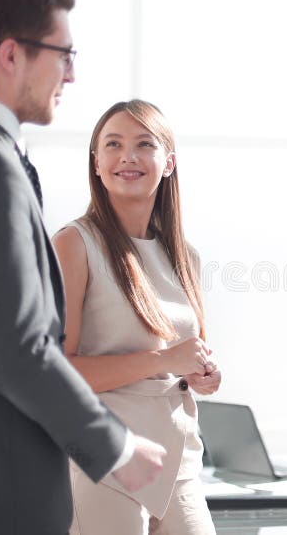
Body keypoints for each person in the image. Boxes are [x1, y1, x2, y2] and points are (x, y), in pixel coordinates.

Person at [0, 0, 166, 534]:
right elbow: (19, 349)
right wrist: (116, 446)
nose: (71, 75)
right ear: (11, 55)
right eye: (64, 54)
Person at [52, 100, 220, 535]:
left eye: (144, 144)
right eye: (113, 144)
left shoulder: (185, 255)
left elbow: (187, 357)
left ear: (168, 163)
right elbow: (58, 373)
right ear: (96, 163)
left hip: (179, 463)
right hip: (106, 462)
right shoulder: (74, 243)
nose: (128, 156)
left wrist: (203, 375)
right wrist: (164, 360)